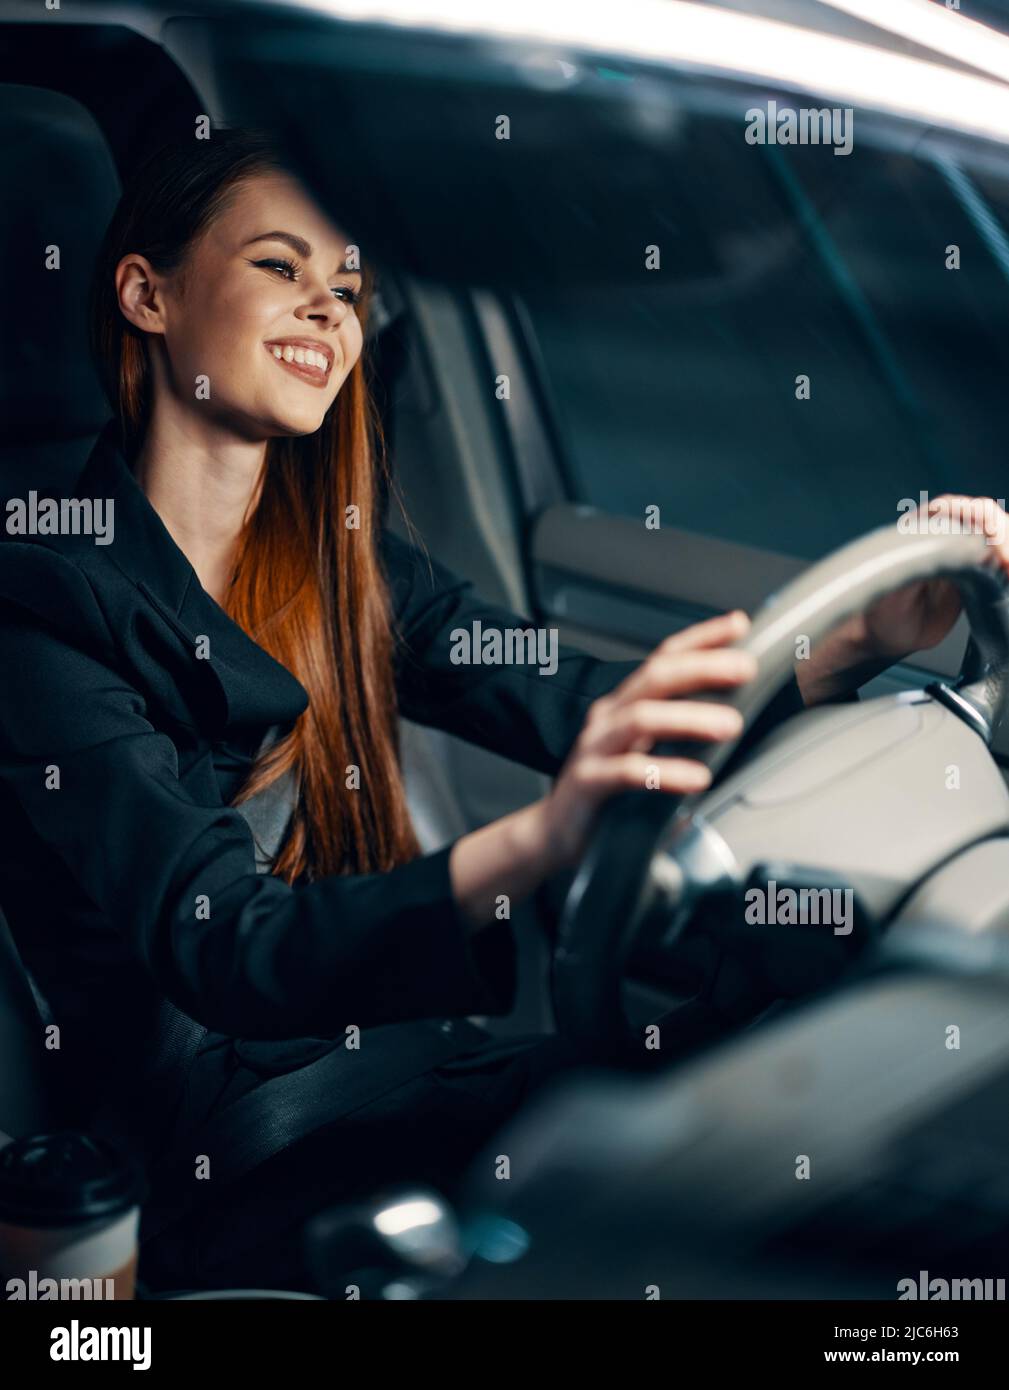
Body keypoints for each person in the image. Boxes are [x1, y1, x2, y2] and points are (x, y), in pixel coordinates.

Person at [0, 128, 1005, 1295]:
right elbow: (230, 946)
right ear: (148, 294)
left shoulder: (344, 567)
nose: (326, 307)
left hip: (409, 1075)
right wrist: (541, 837)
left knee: (795, 1076)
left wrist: (849, 643)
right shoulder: (45, 609)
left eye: (349, 289)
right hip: (240, 1158)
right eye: (279, 265)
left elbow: (576, 703)